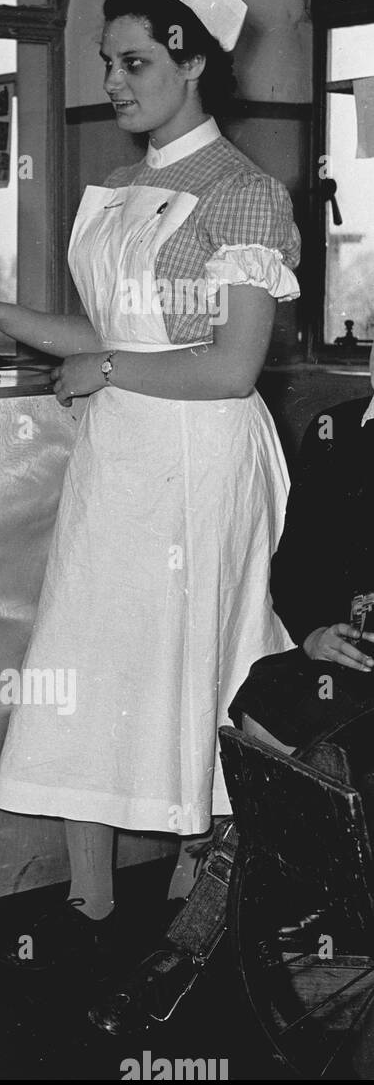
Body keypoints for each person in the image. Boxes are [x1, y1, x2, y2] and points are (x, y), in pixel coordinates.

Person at [0, 0, 301, 968]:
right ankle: (87, 903)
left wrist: (100, 365)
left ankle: (193, 902)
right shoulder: (122, 190)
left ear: (192, 62)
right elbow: (109, 332)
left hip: (201, 459)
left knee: (191, 663)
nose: (114, 82)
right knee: (85, 658)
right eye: (106, 63)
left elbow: (227, 367)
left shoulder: (244, 195)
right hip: (118, 451)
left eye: (135, 63)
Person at [91, 367, 374, 1034]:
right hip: (351, 659)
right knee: (272, 695)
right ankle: (281, 938)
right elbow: (297, 565)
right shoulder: (336, 435)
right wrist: (312, 632)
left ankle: (185, 952)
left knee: (305, 752)